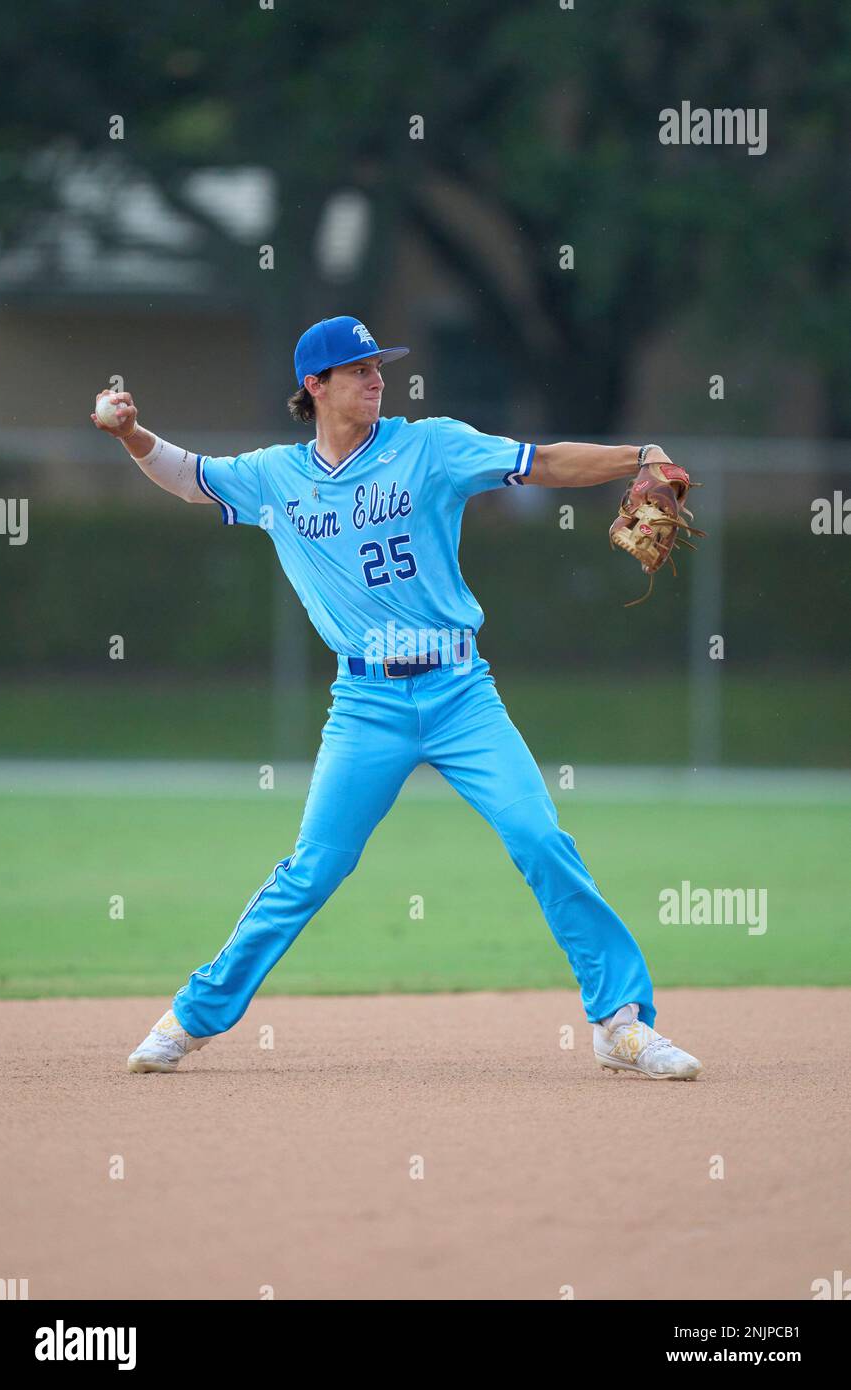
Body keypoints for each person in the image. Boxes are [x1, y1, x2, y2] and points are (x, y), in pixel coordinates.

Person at [91, 316, 702, 1082]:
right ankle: (192, 1016)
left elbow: (540, 462)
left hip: (459, 692)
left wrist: (640, 456)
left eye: (379, 366)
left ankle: (621, 1023)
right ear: (314, 386)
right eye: (358, 369)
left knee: (540, 839)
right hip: (365, 704)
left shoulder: (431, 446)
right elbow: (190, 477)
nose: (377, 378)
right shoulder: (278, 476)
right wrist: (132, 433)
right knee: (313, 868)